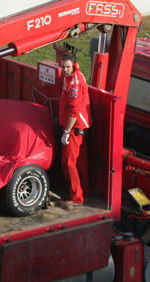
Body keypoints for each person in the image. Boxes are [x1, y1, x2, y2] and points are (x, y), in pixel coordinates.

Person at [57, 52, 91, 210]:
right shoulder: (72, 76)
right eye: (62, 66)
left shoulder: (74, 83)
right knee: (80, 162)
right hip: (79, 127)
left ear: (74, 66)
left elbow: (74, 110)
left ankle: (77, 197)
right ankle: (85, 190)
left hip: (74, 127)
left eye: (67, 67)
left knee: (69, 162)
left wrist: (66, 132)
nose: (64, 69)